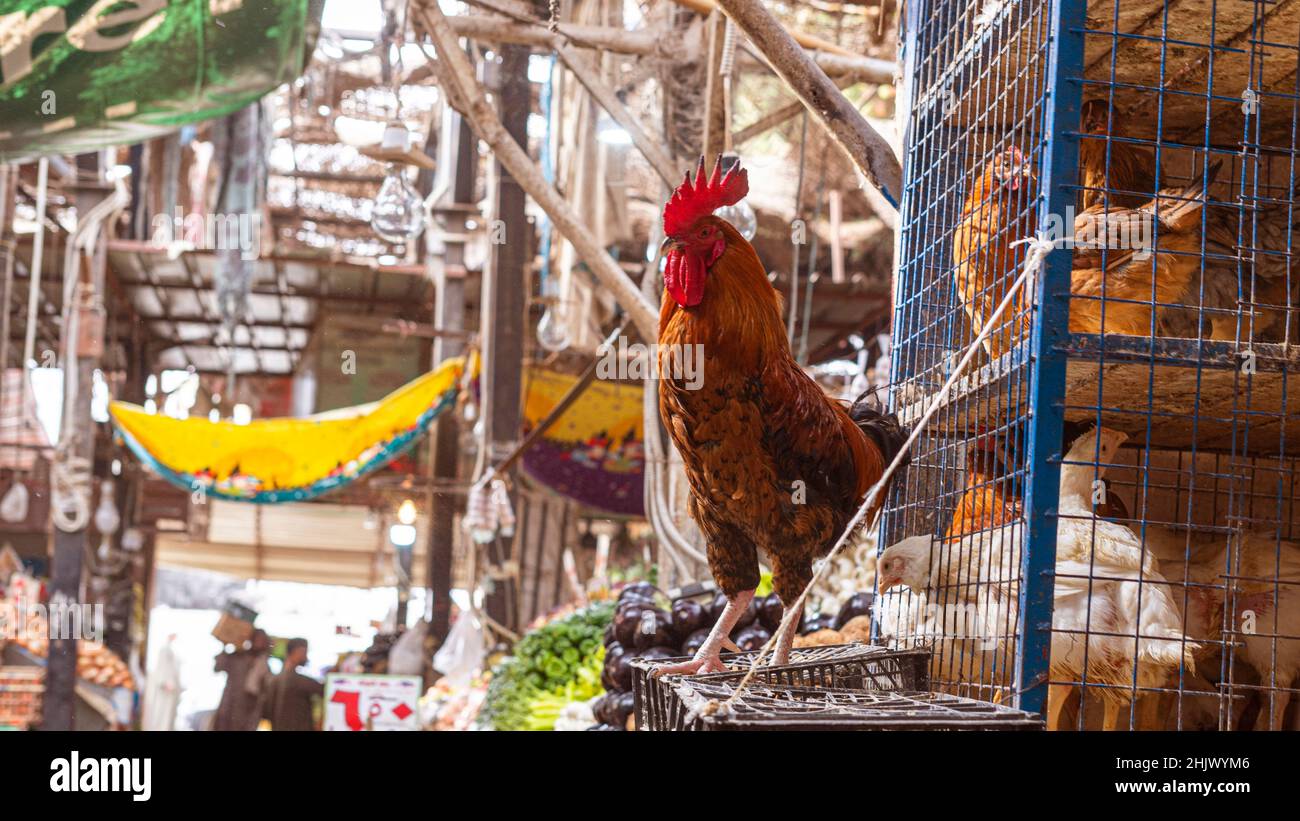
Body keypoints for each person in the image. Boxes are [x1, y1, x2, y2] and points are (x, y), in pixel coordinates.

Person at [212, 629, 271, 731]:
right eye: (257, 639)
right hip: (229, 707)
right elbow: (218, 667)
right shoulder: (237, 657)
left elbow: (265, 689)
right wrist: (225, 645)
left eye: (262, 640)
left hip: (249, 711)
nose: (259, 643)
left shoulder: (264, 665)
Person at [265, 638, 324, 731]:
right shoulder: (297, 680)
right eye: (304, 652)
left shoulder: (276, 679)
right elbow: (324, 690)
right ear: (297, 651)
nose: (306, 657)